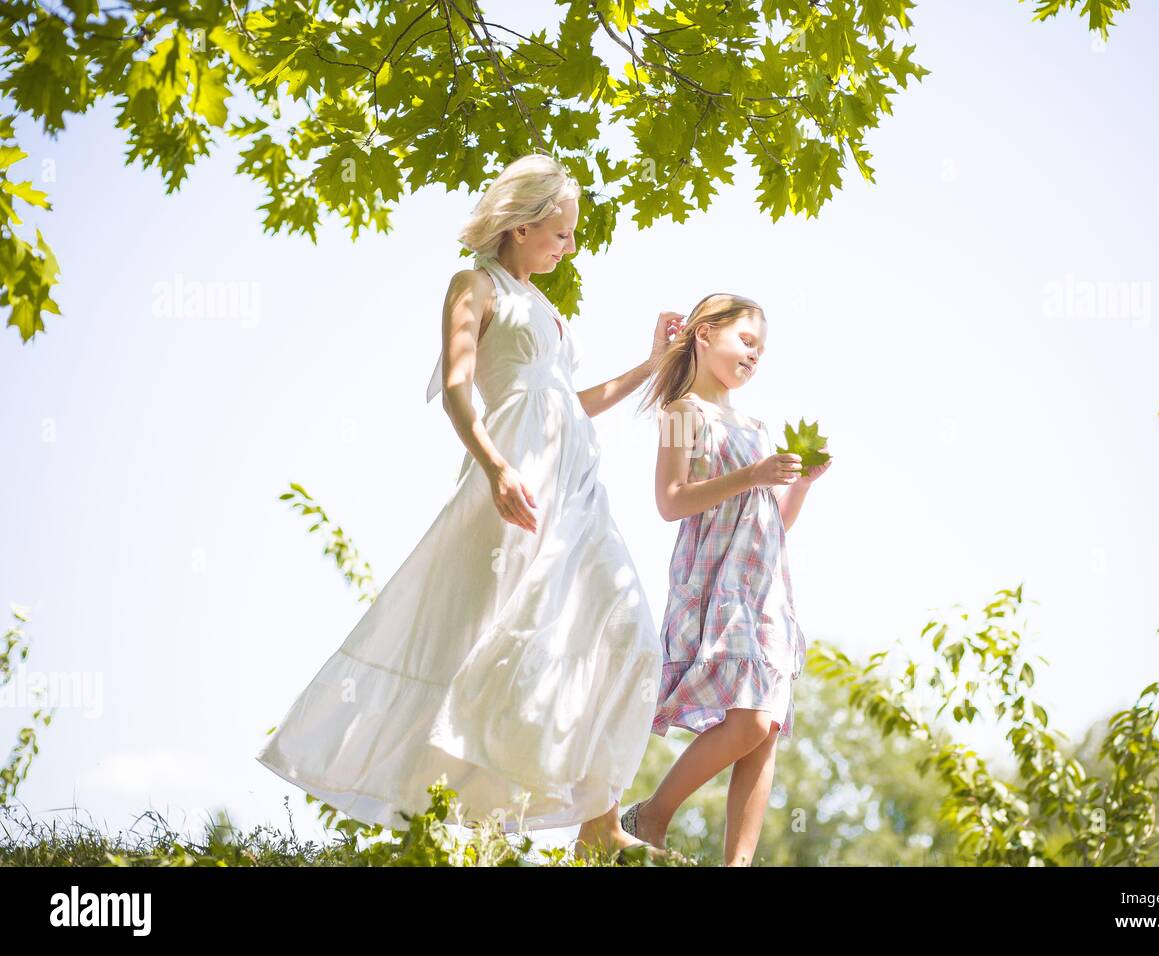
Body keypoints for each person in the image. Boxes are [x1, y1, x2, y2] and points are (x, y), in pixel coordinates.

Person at [256, 152, 684, 862]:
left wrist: (648, 366)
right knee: (489, 635)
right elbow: (459, 387)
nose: (568, 246)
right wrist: (495, 469)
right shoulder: (473, 284)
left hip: (576, 480)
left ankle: (598, 826)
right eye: (561, 232)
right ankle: (431, 800)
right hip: (514, 475)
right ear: (521, 225)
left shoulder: (547, 307)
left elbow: (567, 404)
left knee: (630, 632)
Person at [618, 292, 832, 865]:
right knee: (752, 720)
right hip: (716, 586)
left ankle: (738, 862)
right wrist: (752, 474)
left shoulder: (758, 428)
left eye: (761, 349)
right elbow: (670, 502)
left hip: (764, 591)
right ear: (705, 333)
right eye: (746, 340)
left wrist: (798, 485)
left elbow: (772, 522)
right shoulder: (680, 412)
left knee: (765, 727)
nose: (754, 356)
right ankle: (652, 815)